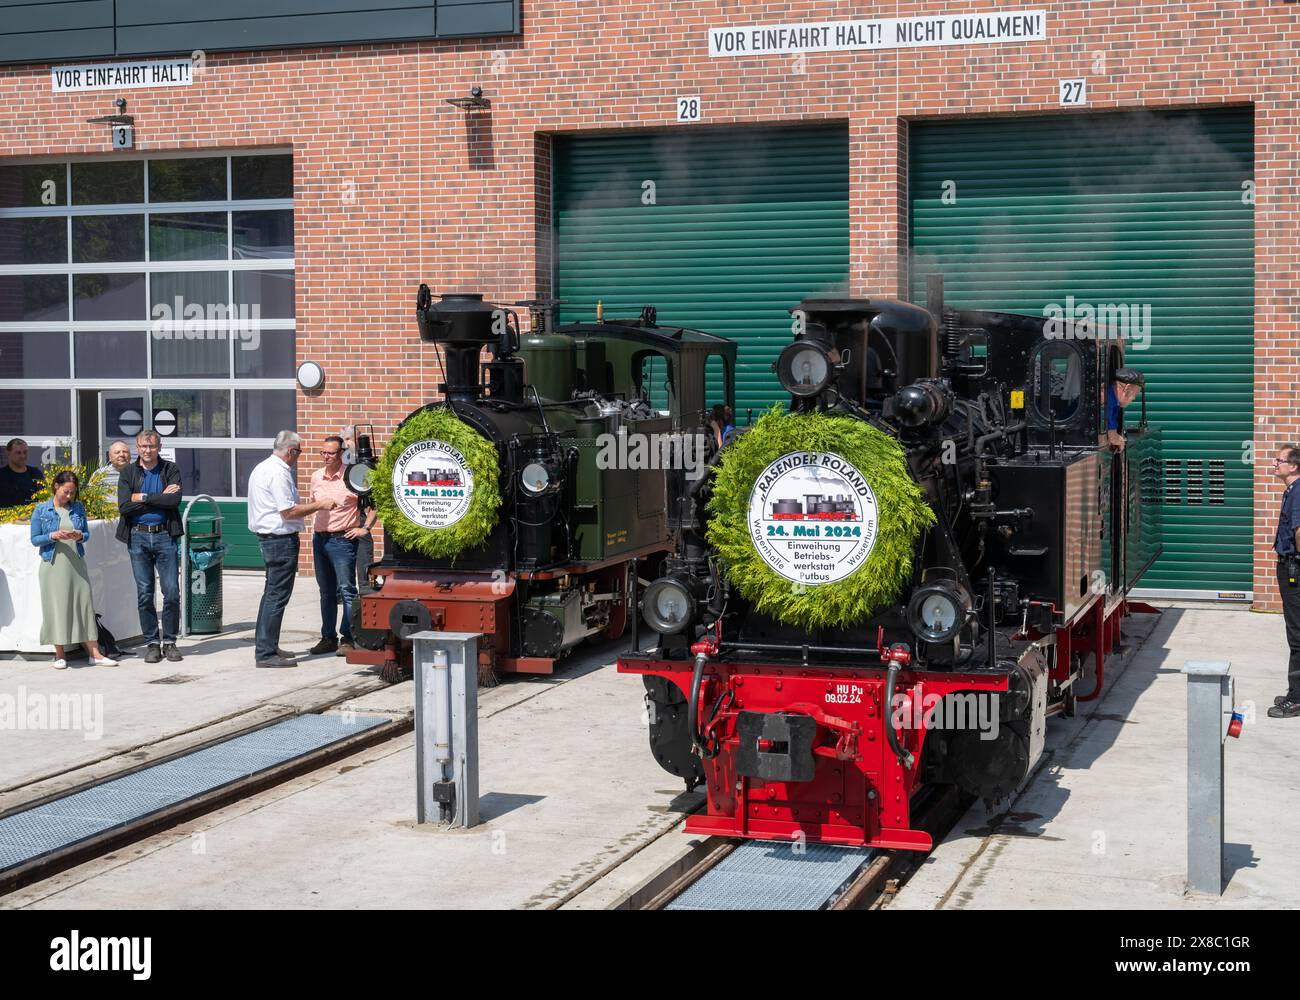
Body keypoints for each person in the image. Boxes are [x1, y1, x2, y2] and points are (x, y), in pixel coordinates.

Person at [246, 430, 335, 669]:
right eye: (299, 452)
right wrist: (320, 505)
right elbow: (288, 511)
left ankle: (268, 645)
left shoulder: (263, 467)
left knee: (271, 595)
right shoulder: (278, 473)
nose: (298, 457)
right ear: (290, 451)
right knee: (277, 596)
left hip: (270, 538)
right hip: (279, 540)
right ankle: (265, 652)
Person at [30, 472, 117, 668]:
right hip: (53, 565)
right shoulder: (42, 509)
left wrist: (79, 536)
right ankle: (59, 654)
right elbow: (35, 539)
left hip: (76, 563)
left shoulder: (77, 508)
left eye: (72, 492)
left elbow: (85, 533)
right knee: (56, 606)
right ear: (55, 487)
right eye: (66, 492)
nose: (69, 496)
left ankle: (95, 653)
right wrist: (53, 535)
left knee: (84, 604)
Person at [117, 431, 184, 663]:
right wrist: (157, 497)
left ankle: (170, 642)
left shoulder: (170, 470)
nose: (148, 451)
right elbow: (124, 507)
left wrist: (141, 497)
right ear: (137, 447)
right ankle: (152, 643)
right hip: (138, 538)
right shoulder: (128, 472)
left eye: (152, 446)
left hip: (165, 536)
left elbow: (173, 501)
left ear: (159, 446)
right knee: (145, 594)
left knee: (172, 592)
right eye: (144, 446)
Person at [309, 435, 376, 656]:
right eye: (323, 453)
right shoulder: (316, 477)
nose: (326, 457)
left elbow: (375, 505)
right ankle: (328, 637)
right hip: (320, 540)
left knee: (347, 590)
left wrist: (364, 528)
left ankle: (348, 638)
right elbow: (313, 506)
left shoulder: (353, 475)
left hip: (342, 541)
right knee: (326, 592)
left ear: (341, 454)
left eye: (330, 453)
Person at [1269, 444, 1300, 719]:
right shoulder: (1292, 491)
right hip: (1290, 566)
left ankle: (1297, 698)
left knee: (1297, 635)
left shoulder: (1298, 492)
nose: (1274, 463)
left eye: (1279, 460)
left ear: (1293, 466)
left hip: (1295, 569)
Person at [1102, 367, 1144, 452]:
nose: (1134, 398)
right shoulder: (1105, 398)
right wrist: (1120, 441)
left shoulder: (1115, 403)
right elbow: (1112, 435)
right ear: (1127, 388)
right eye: (1135, 393)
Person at [0, 438, 43, 507]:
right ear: (8, 453)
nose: (22, 456)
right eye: (18, 453)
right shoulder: (2, 475)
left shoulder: (35, 474)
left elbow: (43, 499)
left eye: (25, 452)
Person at [93, 440, 132, 511]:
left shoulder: (138, 473)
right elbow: (91, 497)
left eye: (125, 452)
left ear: (130, 456)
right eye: (117, 452)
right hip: (107, 519)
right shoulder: (100, 475)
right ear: (110, 457)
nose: (122, 455)